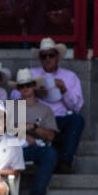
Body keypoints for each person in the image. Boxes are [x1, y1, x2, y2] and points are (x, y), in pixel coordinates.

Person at [29, 37, 85, 174]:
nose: (48, 59)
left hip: (59, 119)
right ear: (40, 58)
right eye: (44, 56)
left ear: (57, 57)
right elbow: (14, 96)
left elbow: (76, 106)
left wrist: (64, 89)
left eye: (51, 55)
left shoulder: (69, 76)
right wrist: (33, 92)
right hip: (37, 119)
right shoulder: (32, 74)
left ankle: (64, 162)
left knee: (77, 120)